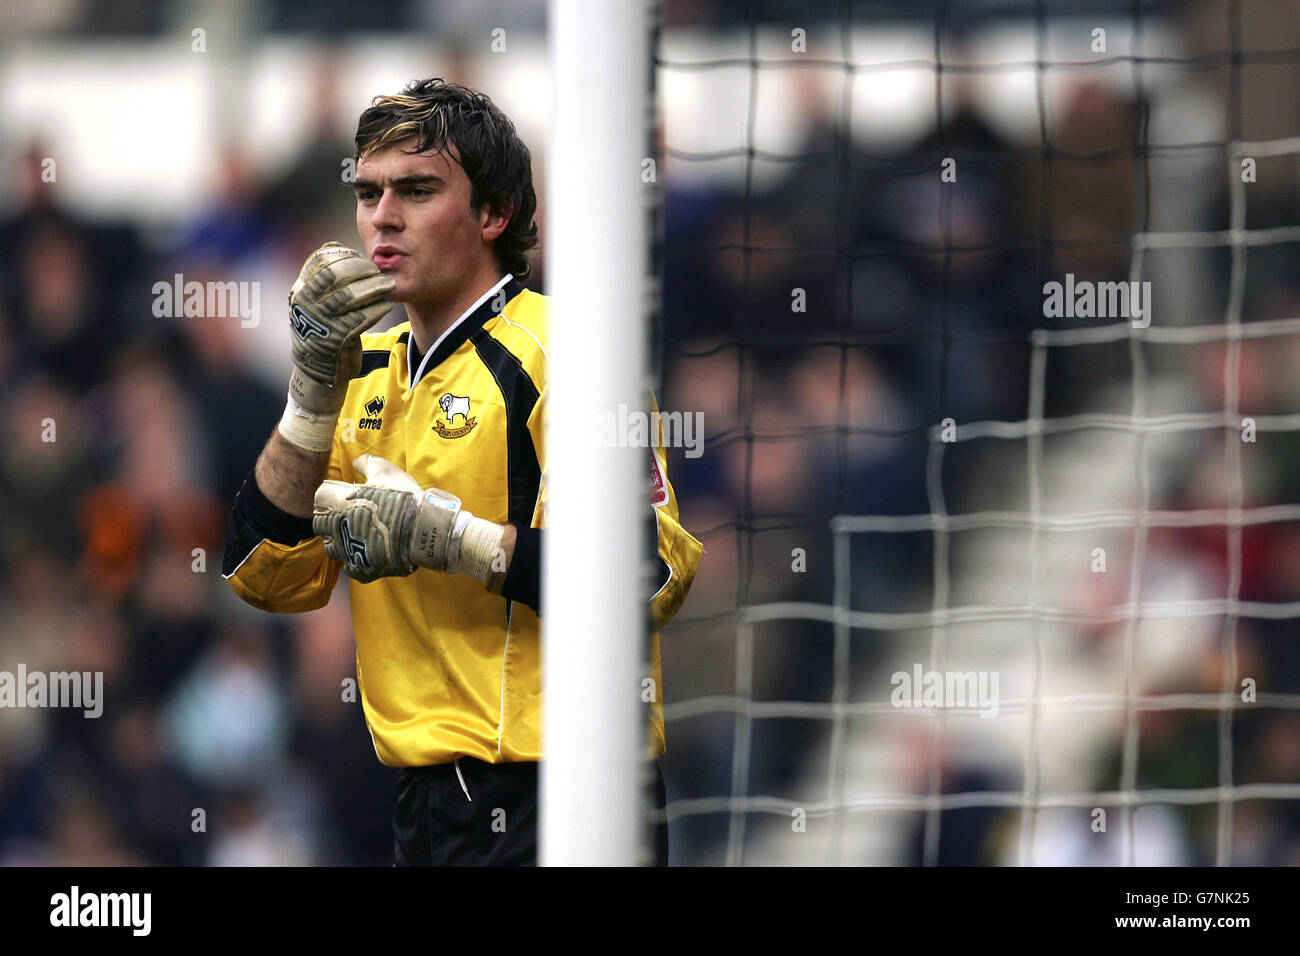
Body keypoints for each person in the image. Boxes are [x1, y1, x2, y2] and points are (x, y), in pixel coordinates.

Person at [221, 78, 702, 865]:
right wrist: (310, 395)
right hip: (422, 805)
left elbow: (651, 576)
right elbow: (265, 575)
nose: (383, 215)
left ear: (493, 214)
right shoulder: (357, 370)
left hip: (566, 790)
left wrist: (462, 541)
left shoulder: (568, 350)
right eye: (368, 192)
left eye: (416, 190)